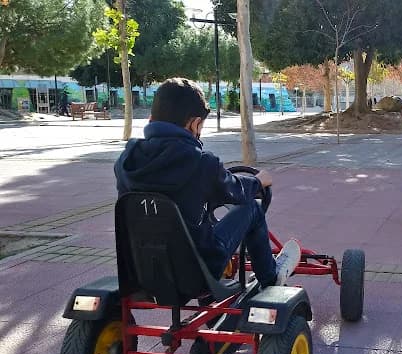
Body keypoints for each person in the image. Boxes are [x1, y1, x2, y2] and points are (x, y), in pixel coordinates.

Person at [114, 77, 297, 289]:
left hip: (140, 273)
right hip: (194, 276)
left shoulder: (127, 160)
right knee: (252, 208)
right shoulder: (201, 162)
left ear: (151, 118)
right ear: (194, 123)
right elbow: (236, 190)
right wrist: (258, 181)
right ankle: (270, 277)